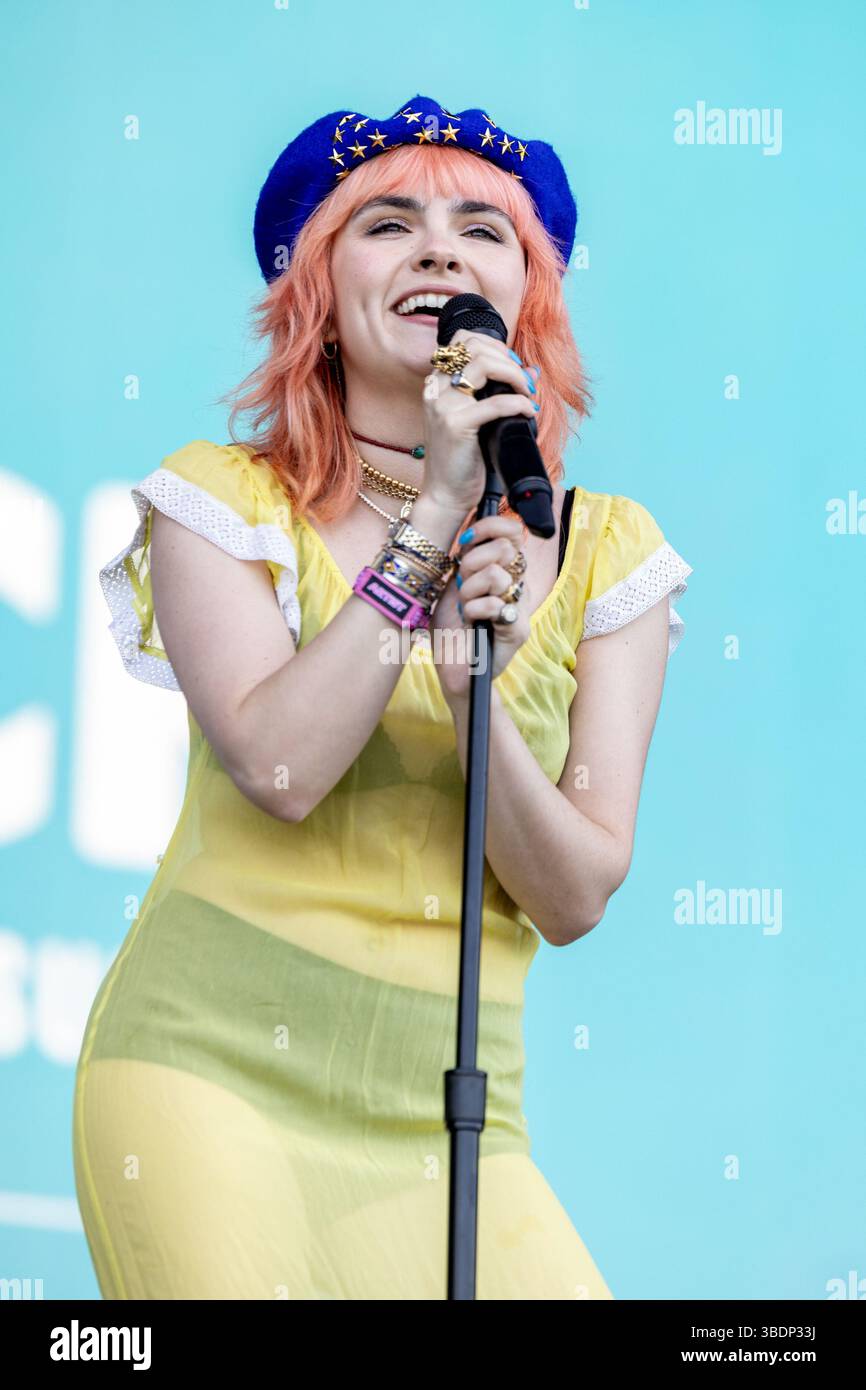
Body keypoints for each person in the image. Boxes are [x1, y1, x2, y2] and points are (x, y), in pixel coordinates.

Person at [73, 95, 692, 1300]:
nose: (439, 251)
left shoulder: (609, 549)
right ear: (317, 295)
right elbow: (281, 769)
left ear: (526, 303)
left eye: (482, 231)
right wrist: (427, 529)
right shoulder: (223, 500)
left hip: (456, 1123)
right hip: (208, 1087)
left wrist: (475, 682)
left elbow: (570, 894)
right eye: (387, 223)